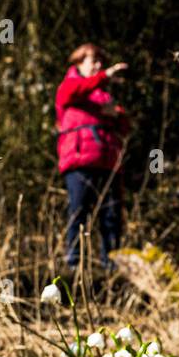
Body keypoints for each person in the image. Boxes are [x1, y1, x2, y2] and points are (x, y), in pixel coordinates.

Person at [55, 43, 130, 272]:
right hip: (79, 161)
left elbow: (125, 127)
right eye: (92, 61)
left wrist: (116, 114)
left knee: (112, 217)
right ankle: (74, 263)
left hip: (108, 163)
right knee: (79, 212)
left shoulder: (103, 95)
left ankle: (111, 264)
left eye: (100, 62)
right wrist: (105, 75)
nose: (98, 66)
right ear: (78, 63)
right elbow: (74, 92)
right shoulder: (69, 86)